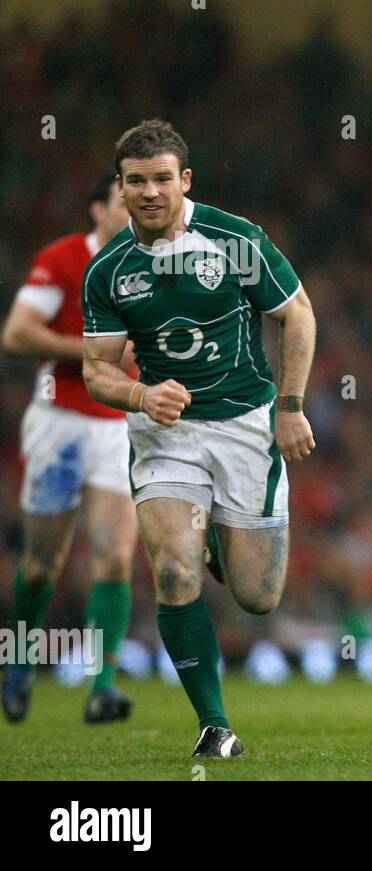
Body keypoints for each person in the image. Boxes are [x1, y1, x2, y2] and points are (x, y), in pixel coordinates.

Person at [81, 120, 318, 757]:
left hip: (246, 424)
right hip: (168, 432)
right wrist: (140, 395)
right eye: (137, 181)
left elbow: (296, 314)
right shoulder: (107, 270)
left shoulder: (235, 240)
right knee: (170, 570)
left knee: (258, 597)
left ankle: (218, 535)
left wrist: (291, 408)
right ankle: (216, 725)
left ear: (185, 181)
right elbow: (96, 369)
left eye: (163, 178)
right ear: (122, 189)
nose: (151, 191)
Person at [2, 173, 138, 725]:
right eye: (122, 201)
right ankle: (19, 665)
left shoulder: (153, 267)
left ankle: (101, 686)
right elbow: (15, 334)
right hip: (58, 423)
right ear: (97, 211)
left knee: (115, 556)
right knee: (41, 566)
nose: (134, 210)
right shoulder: (62, 259)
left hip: (118, 428)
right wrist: (88, 353)